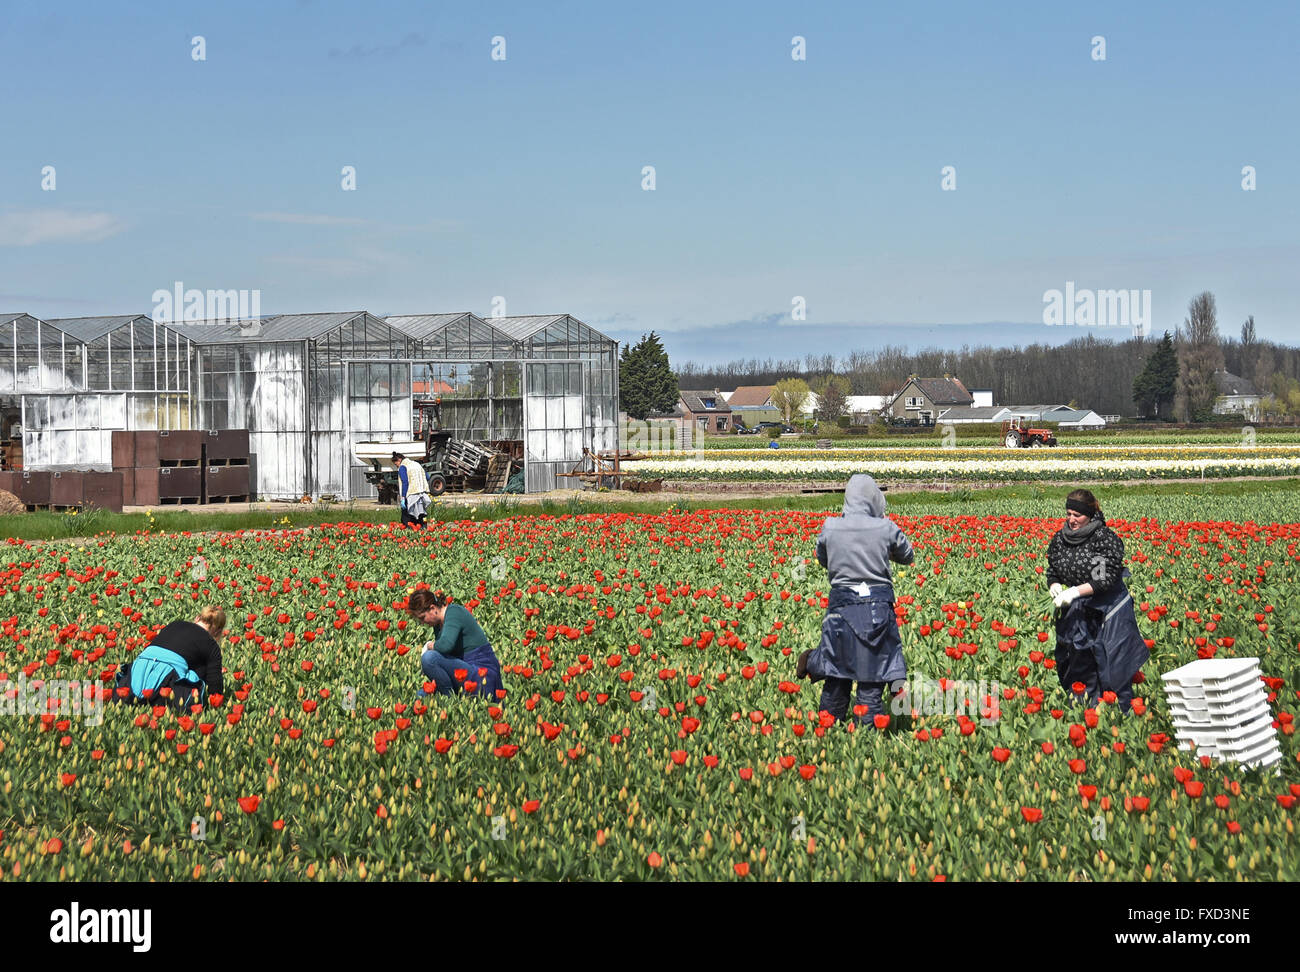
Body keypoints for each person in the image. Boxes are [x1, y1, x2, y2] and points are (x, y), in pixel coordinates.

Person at [795, 473, 913, 725]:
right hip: (877, 610)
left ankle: (828, 731)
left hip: (841, 607)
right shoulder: (885, 527)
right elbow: (907, 555)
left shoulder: (830, 526)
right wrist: (881, 544)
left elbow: (823, 559)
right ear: (874, 499)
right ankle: (867, 741)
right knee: (872, 676)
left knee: (837, 674)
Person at [1045, 488, 1148, 713]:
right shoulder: (1060, 538)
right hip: (1075, 614)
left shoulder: (1103, 539)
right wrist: (1054, 584)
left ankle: (1117, 713)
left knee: (1110, 664)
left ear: (1089, 515)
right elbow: (1053, 568)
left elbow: (1102, 579)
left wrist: (1073, 592)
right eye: (1068, 513)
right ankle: (1084, 711)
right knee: (1076, 662)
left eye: (1077, 515)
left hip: (1106, 611)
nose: (1071, 519)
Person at [116, 606, 226, 709]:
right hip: (167, 681)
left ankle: (100, 714)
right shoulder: (211, 644)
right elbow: (215, 684)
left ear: (197, 618)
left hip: (134, 673)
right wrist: (216, 705)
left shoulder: (175, 624)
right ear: (217, 631)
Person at [407, 590, 503, 699]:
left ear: (433, 608)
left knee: (429, 658)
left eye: (422, 618)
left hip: (481, 672)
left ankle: (449, 701)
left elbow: (445, 646)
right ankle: (450, 698)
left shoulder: (454, 613)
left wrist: (430, 645)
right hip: (463, 670)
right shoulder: (438, 624)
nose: (422, 623)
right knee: (420, 696)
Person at [393, 452, 432, 528]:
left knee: (408, 517)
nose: (397, 466)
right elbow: (427, 477)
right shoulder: (417, 464)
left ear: (399, 460)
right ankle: (423, 529)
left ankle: (409, 532)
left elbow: (405, 482)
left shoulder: (403, 467)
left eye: (396, 464)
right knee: (422, 514)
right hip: (422, 493)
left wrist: (403, 497)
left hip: (411, 494)